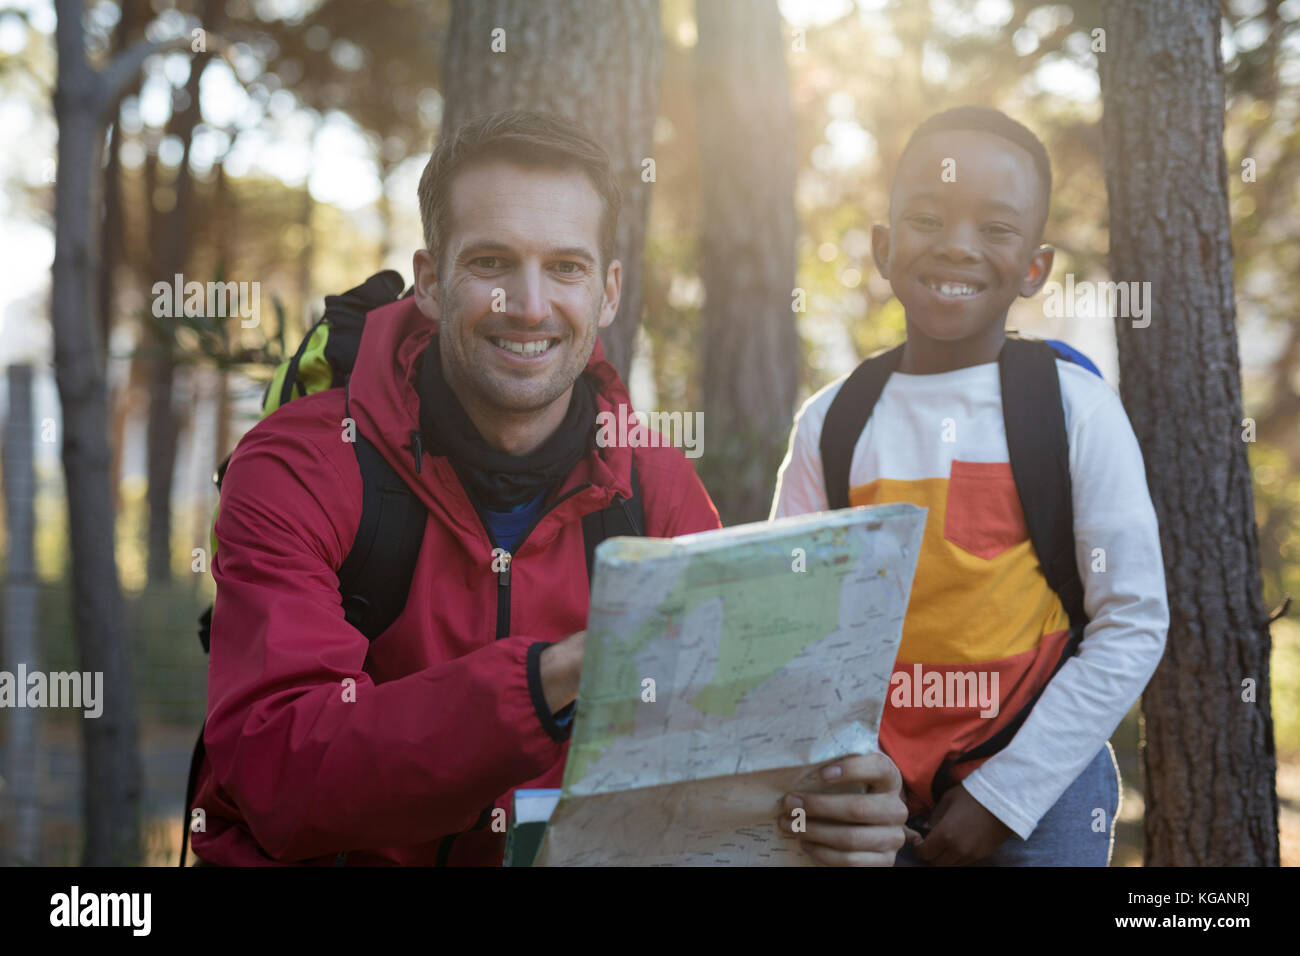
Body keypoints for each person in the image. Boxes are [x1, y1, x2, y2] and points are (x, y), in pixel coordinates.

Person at [192, 109, 909, 866]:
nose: (530, 306)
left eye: (566, 267)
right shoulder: (299, 463)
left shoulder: (653, 483)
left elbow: (728, 753)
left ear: (607, 293)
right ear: (432, 282)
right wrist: (551, 679)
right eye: (493, 263)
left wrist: (829, 810)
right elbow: (281, 774)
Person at [770, 106, 1169, 865]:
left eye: (994, 228)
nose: (956, 245)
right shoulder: (832, 421)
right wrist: (849, 770)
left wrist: (1004, 795)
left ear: (1034, 268)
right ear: (884, 248)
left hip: (1039, 787)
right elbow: (797, 628)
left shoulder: (1073, 410)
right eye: (927, 218)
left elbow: (1134, 620)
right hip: (868, 794)